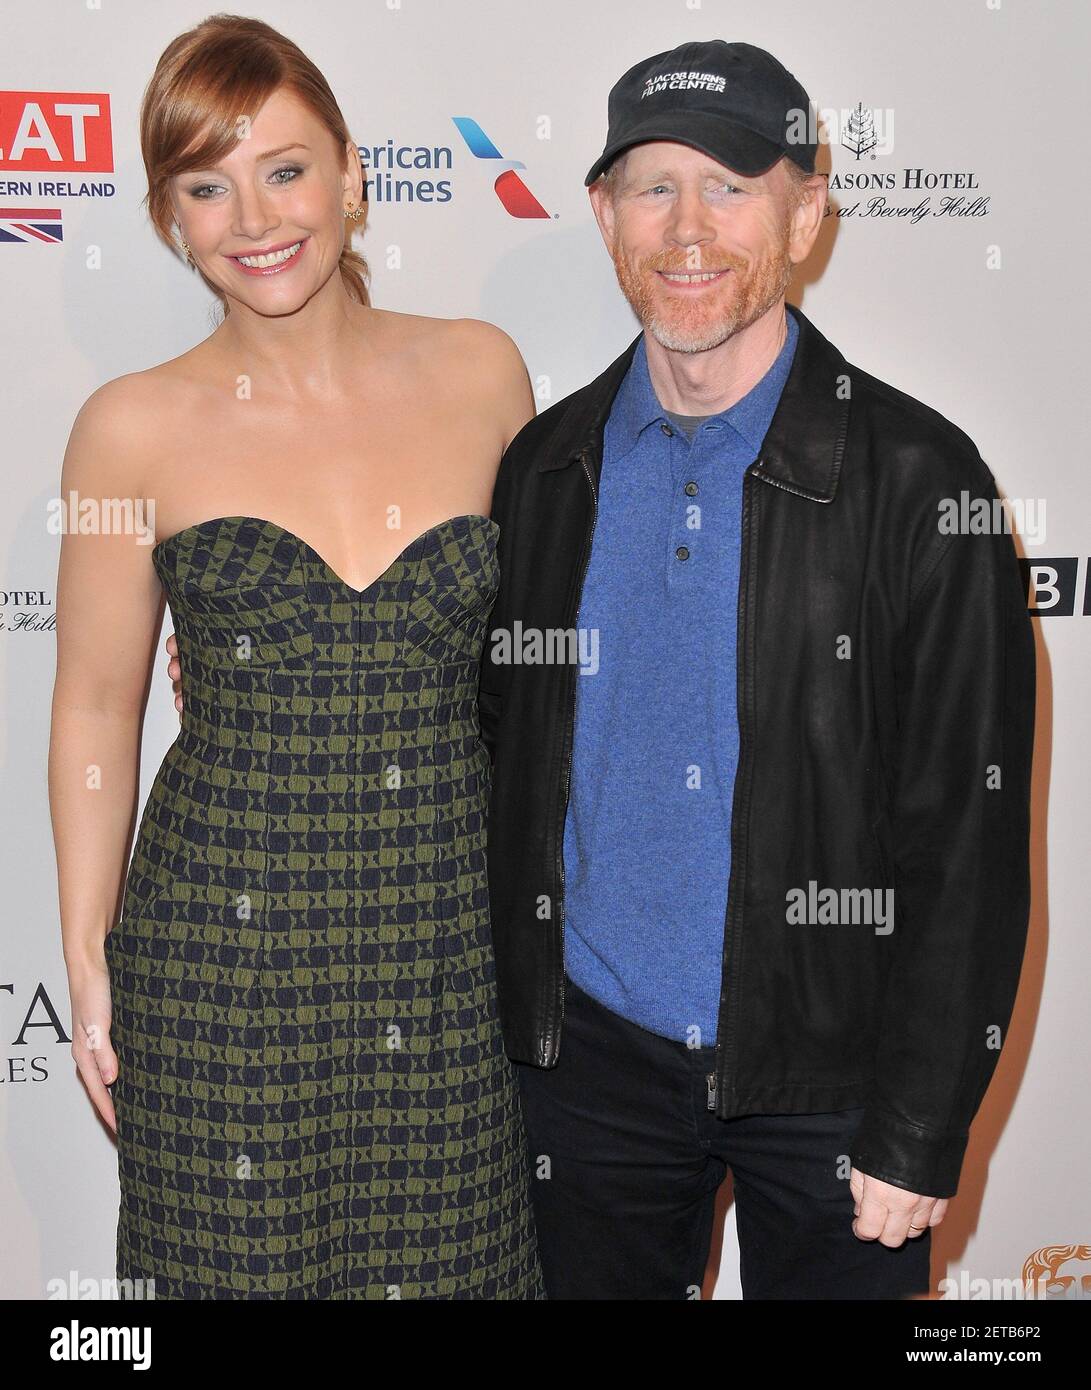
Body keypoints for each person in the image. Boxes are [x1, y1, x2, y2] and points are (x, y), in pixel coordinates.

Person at [478, 40, 1036, 1299]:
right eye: (652, 186)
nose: (687, 228)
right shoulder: (542, 469)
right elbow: (497, 738)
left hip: (831, 1078)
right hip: (586, 1070)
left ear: (804, 210)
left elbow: (966, 831)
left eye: (730, 184)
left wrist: (916, 1123)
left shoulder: (919, 482)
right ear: (601, 216)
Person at [50, 13, 543, 1299]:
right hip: (227, 955)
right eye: (206, 184)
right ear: (169, 217)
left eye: (284, 167)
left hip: (445, 949)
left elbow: (531, 680)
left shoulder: (484, 375)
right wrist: (89, 954)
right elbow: (97, 709)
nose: (253, 216)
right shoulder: (126, 428)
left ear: (352, 176)